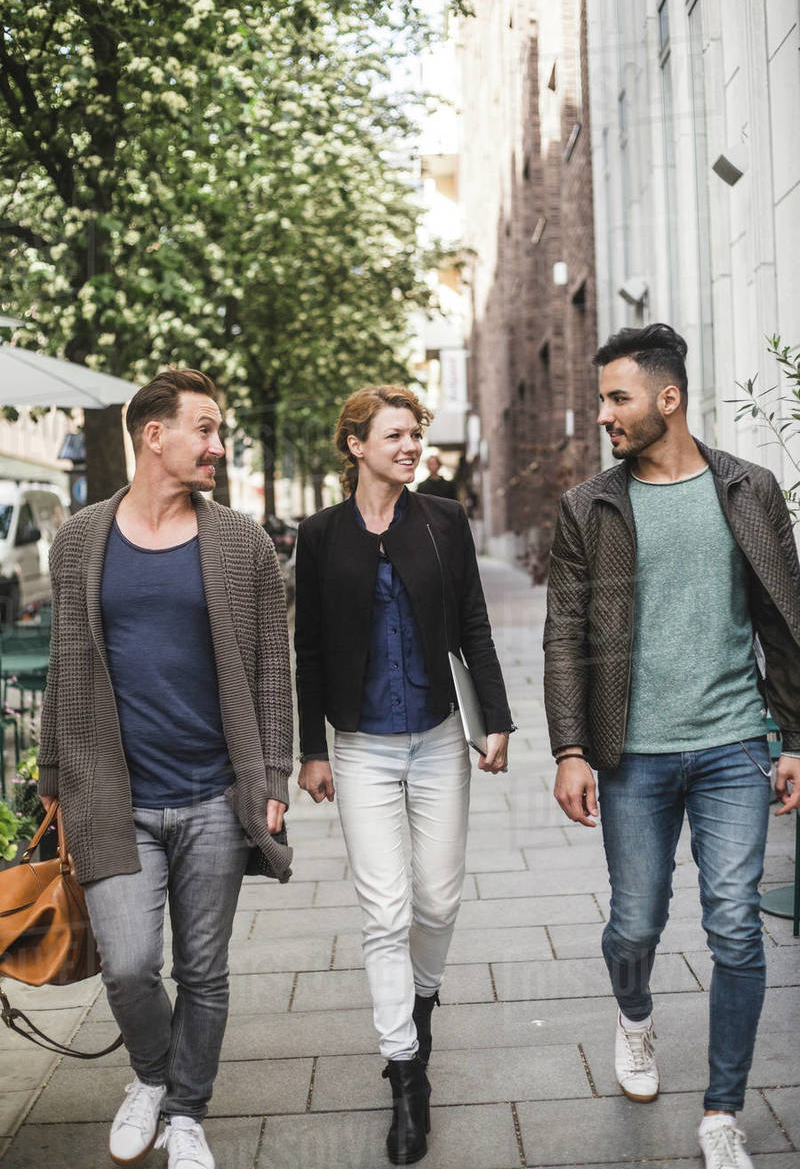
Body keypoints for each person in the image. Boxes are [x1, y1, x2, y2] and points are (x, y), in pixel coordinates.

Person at [544, 323, 800, 1169]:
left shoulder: (750, 490)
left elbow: (784, 620)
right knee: (635, 922)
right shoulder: (591, 506)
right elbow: (564, 635)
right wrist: (571, 749)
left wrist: (793, 736)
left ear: (668, 398)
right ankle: (635, 1016)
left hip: (735, 743)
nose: (605, 414)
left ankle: (722, 1111)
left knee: (735, 926)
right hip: (633, 754)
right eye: (604, 398)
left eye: (618, 398)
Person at [38, 369, 293, 1169]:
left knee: (204, 968)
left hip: (217, 793)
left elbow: (270, 671)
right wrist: (51, 780)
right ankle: (150, 1077)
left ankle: (187, 1111)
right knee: (131, 964)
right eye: (207, 430)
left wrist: (273, 777)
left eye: (220, 432)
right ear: (156, 435)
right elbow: (63, 666)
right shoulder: (79, 539)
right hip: (113, 794)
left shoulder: (238, 540)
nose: (219, 446)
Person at [294, 384, 513, 1165]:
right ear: (355, 444)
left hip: (438, 735)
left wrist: (497, 721)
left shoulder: (442, 519)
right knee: (384, 909)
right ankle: (406, 1073)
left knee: (440, 897)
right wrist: (310, 747)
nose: (411, 445)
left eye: (415, 434)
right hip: (360, 748)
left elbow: (477, 625)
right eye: (395, 435)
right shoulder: (320, 535)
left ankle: (420, 1006)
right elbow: (310, 646)